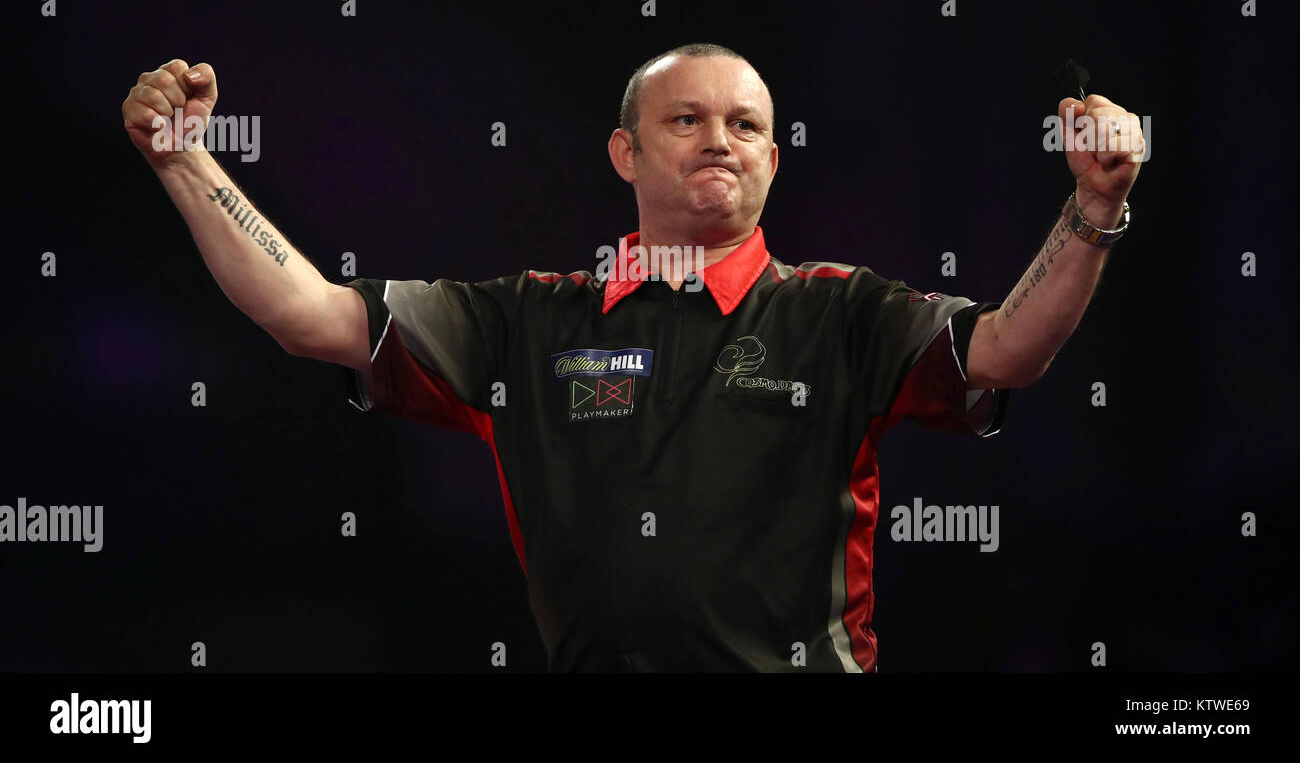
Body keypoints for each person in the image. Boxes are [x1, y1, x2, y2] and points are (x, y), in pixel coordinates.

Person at [122, 43, 1145, 672]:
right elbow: (310, 315)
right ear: (625, 154)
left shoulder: (843, 312)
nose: (720, 140)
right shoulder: (524, 323)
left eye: (745, 125)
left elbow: (1006, 349)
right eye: (686, 119)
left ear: (774, 159)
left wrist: (1094, 207)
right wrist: (184, 158)